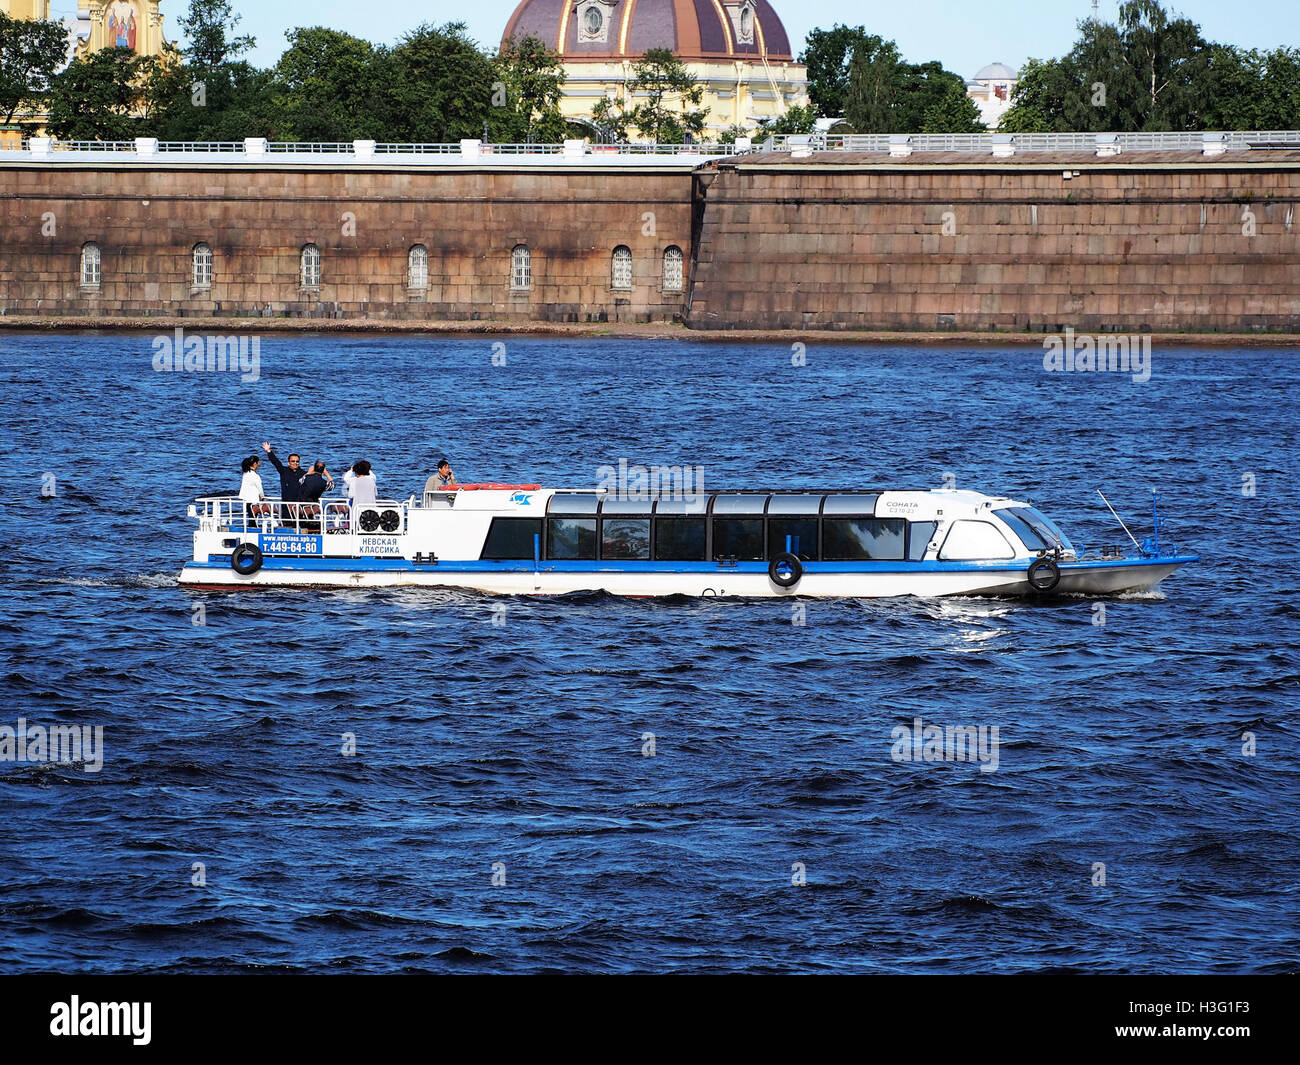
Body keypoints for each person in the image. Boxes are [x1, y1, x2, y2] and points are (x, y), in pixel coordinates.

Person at [342, 461, 378, 529]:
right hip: (371, 510)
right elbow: (375, 493)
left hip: (357, 509)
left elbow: (350, 495)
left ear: (356, 471)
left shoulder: (353, 481)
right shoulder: (372, 481)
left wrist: (351, 470)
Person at [239, 455, 270, 524]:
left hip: (247, 499)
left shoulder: (246, 473)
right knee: (253, 516)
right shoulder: (254, 476)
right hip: (253, 499)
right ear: (255, 463)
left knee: (251, 516)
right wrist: (262, 497)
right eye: (258, 462)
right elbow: (260, 488)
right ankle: (253, 527)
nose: (259, 464)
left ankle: (252, 526)